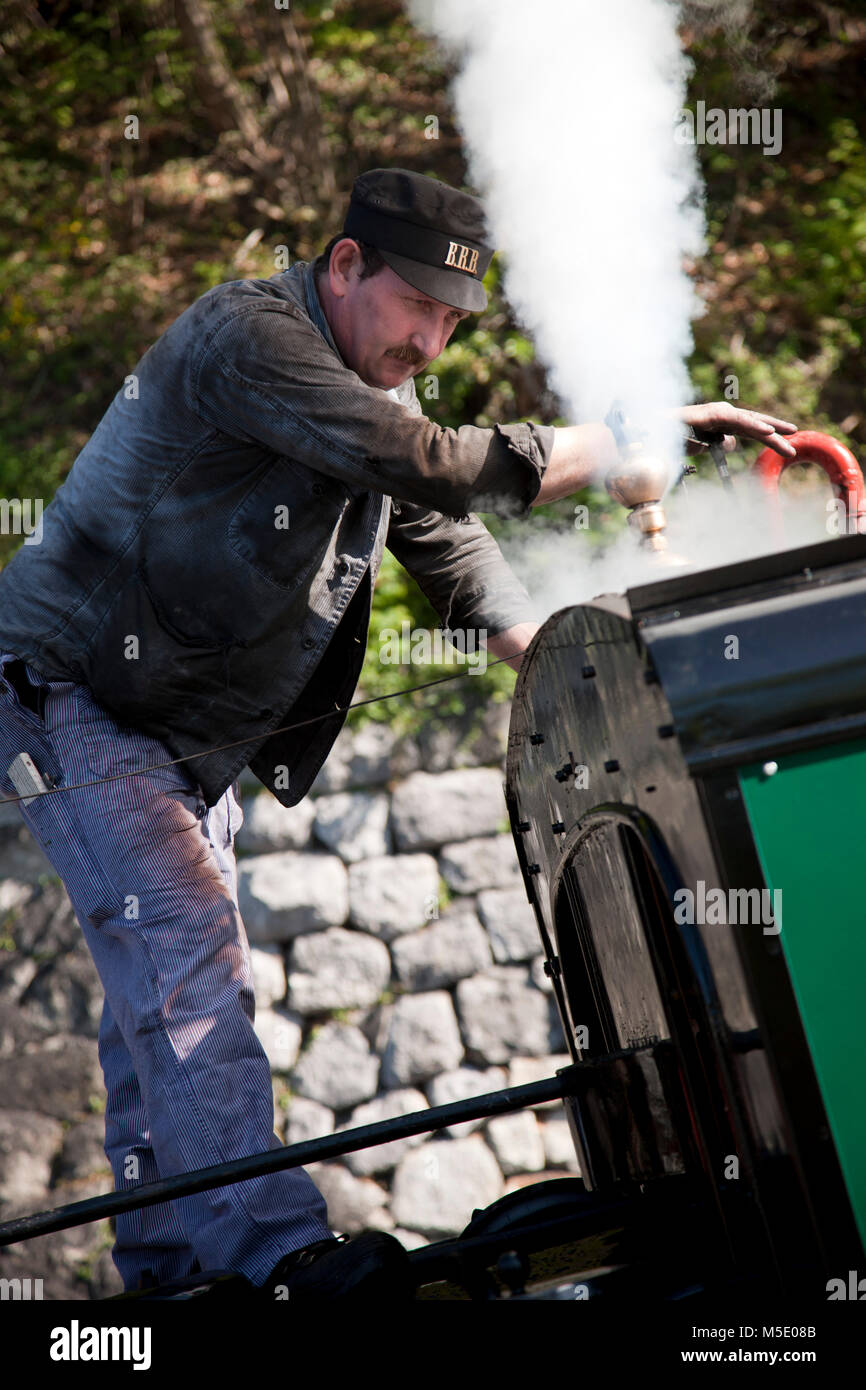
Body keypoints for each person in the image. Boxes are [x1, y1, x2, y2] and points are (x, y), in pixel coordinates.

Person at [0, 166, 798, 1301]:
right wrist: (619, 433)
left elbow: (445, 538)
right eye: (413, 305)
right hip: (76, 693)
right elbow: (428, 467)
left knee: (158, 994)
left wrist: (580, 660)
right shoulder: (246, 336)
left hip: (182, 731)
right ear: (341, 266)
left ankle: (174, 1276)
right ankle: (274, 1262)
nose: (430, 338)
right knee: (189, 969)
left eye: (450, 320)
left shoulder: (375, 389)